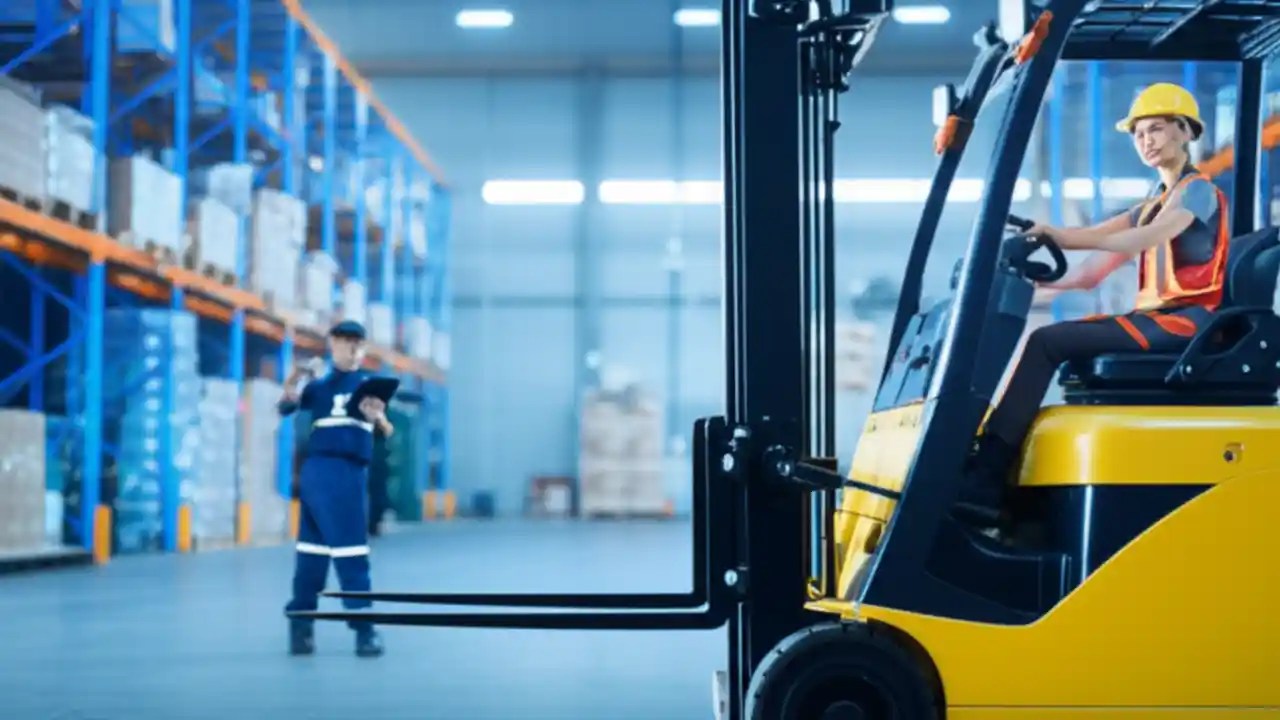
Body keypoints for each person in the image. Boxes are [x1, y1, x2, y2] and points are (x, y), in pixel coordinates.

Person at [959, 82, 1230, 523]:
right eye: (1139, 133)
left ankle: (986, 474)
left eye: (1157, 129)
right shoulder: (1152, 204)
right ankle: (996, 468)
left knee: (1047, 343)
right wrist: (1031, 281)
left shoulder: (1196, 193)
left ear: (1185, 131)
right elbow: (1090, 268)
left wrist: (1058, 236)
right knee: (1046, 337)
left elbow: (1145, 238)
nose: (1147, 140)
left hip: (1184, 323)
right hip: (1157, 320)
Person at [278, 320, 395, 657]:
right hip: (326, 473)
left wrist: (378, 419)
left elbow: (386, 432)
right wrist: (294, 377)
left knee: (314, 553)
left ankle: (302, 626)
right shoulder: (318, 387)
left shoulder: (370, 387)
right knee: (347, 552)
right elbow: (285, 406)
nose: (353, 349)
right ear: (333, 344)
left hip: (347, 471)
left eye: (359, 344)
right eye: (346, 342)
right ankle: (363, 632)